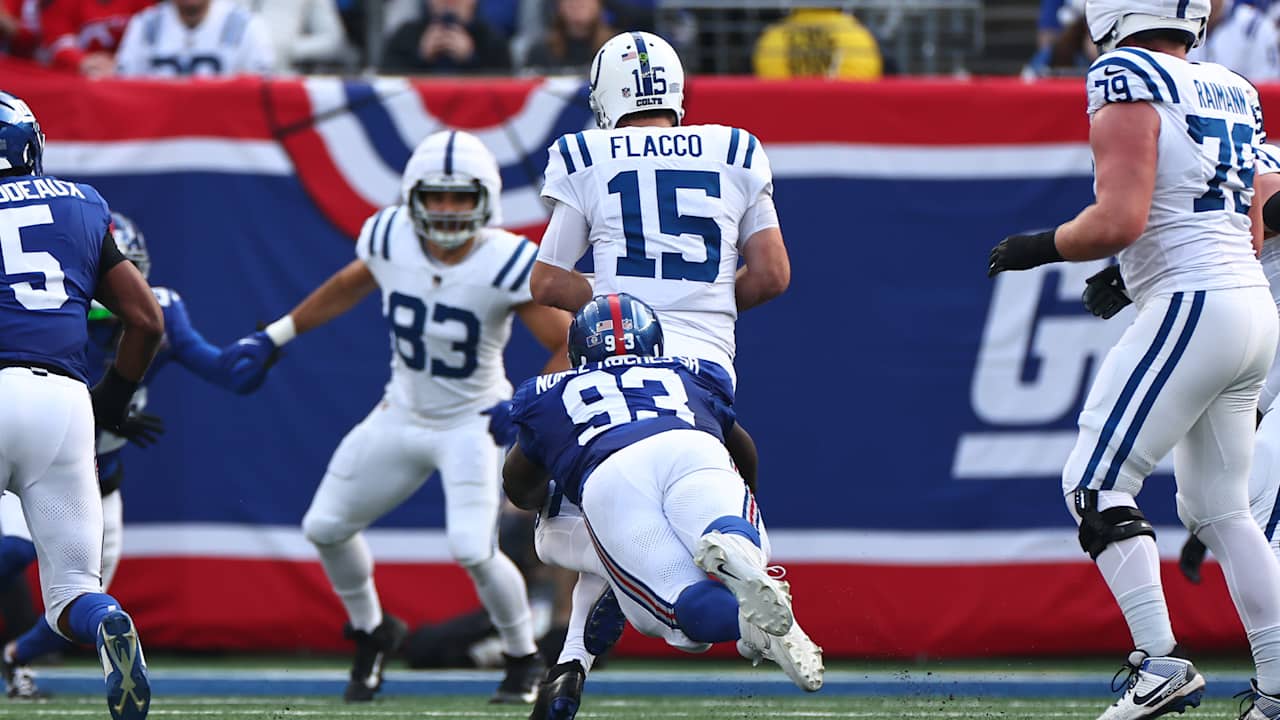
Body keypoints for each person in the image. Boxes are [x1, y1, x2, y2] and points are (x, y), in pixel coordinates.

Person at [986, 1, 1280, 717]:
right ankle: (1277, 689)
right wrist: (1133, 270)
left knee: (1093, 482)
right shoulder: (1233, 85)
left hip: (1193, 303)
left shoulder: (1125, 71)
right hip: (1249, 307)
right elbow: (1250, 221)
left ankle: (1159, 663)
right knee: (1223, 510)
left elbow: (1118, 220)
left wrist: (1041, 246)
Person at [224, 129, 572, 704]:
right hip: (402, 411)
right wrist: (276, 335)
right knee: (326, 527)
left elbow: (563, 344)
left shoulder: (507, 259)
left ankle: (523, 657)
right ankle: (372, 631)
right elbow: (347, 283)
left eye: (462, 198)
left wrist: (523, 403)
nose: (449, 209)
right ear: (413, 197)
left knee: (472, 547)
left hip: (471, 421)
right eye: (437, 196)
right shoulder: (389, 238)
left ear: (485, 200)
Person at [524, 30, 791, 716]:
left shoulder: (586, 153)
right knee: (649, 509)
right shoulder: (735, 147)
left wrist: (627, 306)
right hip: (705, 373)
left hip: (620, 363)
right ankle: (572, 663)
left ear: (604, 96)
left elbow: (548, 282)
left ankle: (622, 617)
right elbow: (772, 275)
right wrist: (698, 302)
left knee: (574, 523)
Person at [503, 293, 824, 712]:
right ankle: (733, 540)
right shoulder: (690, 370)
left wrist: (556, 470)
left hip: (612, 476)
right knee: (744, 538)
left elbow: (519, 489)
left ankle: (747, 625)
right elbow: (741, 446)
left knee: (677, 616)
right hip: (693, 447)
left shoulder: (547, 392)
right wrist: (746, 499)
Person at [0, 211, 271, 700]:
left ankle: (14, 658)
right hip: (56, 461)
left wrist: (264, 347)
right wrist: (112, 406)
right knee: (65, 585)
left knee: (70, 606)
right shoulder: (54, 311)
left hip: (98, 477)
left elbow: (226, 371)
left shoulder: (156, 311)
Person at [0, 90, 160, 720]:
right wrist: (112, 401)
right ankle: (110, 624)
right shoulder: (83, 204)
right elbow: (145, 321)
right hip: (63, 401)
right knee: (72, 593)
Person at [114, 0, 275, 77]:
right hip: (161, 138)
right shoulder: (145, 25)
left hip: (220, 138)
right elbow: (124, 85)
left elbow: (261, 94)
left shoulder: (245, 26)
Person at [380, 0, 510, 74]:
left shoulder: (491, 38)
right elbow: (386, 85)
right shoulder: (405, 35)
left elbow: (507, 87)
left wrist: (470, 60)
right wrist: (421, 58)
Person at [38, 0, 154, 76]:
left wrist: (122, 64)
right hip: (79, 75)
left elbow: (154, 35)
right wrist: (83, 61)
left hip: (128, 73)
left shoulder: (141, 2)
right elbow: (58, 41)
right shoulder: (64, 3)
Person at [523, 0, 614, 73]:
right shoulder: (540, 51)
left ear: (598, 4)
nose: (577, 3)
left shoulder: (614, 48)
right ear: (559, 6)